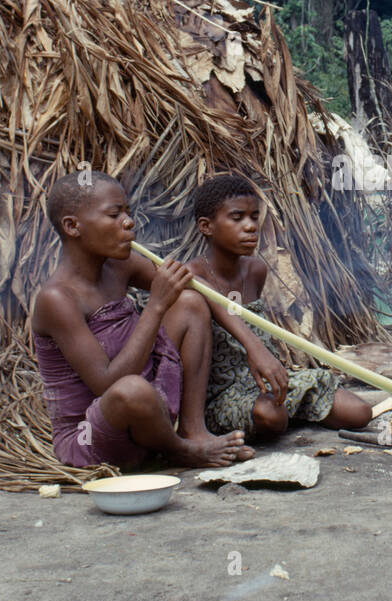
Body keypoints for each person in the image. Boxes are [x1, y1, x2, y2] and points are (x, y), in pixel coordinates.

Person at [31, 169, 254, 469]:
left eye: (127, 212)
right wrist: (156, 305)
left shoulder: (118, 266)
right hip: (95, 434)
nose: (128, 222)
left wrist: (253, 346)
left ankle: (193, 430)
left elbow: (197, 286)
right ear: (72, 226)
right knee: (132, 389)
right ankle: (180, 450)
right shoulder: (57, 299)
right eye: (114, 215)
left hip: (149, 419)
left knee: (189, 302)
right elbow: (107, 384)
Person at [186, 173, 372, 439]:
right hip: (223, 393)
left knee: (359, 412)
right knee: (272, 416)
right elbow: (222, 311)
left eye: (254, 217)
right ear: (206, 226)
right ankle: (279, 415)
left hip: (266, 381)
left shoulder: (255, 270)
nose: (251, 226)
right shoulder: (193, 275)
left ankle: (287, 411)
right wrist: (256, 349)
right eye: (237, 218)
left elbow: (242, 314)